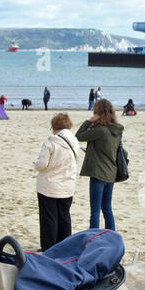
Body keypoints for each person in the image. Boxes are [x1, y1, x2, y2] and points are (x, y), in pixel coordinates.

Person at [76, 98, 123, 231]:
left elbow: (79, 135)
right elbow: (106, 150)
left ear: (99, 113)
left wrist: (89, 121)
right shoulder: (116, 131)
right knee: (107, 208)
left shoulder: (101, 130)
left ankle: (93, 238)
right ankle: (112, 236)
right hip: (111, 173)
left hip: (98, 173)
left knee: (95, 211)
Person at [33, 112, 78, 250]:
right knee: (64, 217)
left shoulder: (50, 143)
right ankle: (64, 246)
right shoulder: (74, 141)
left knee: (49, 219)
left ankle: (48, 247)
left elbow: (42, 165)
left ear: (54, 127)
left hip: (49, 186)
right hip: (67, 186)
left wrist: (35, 164)